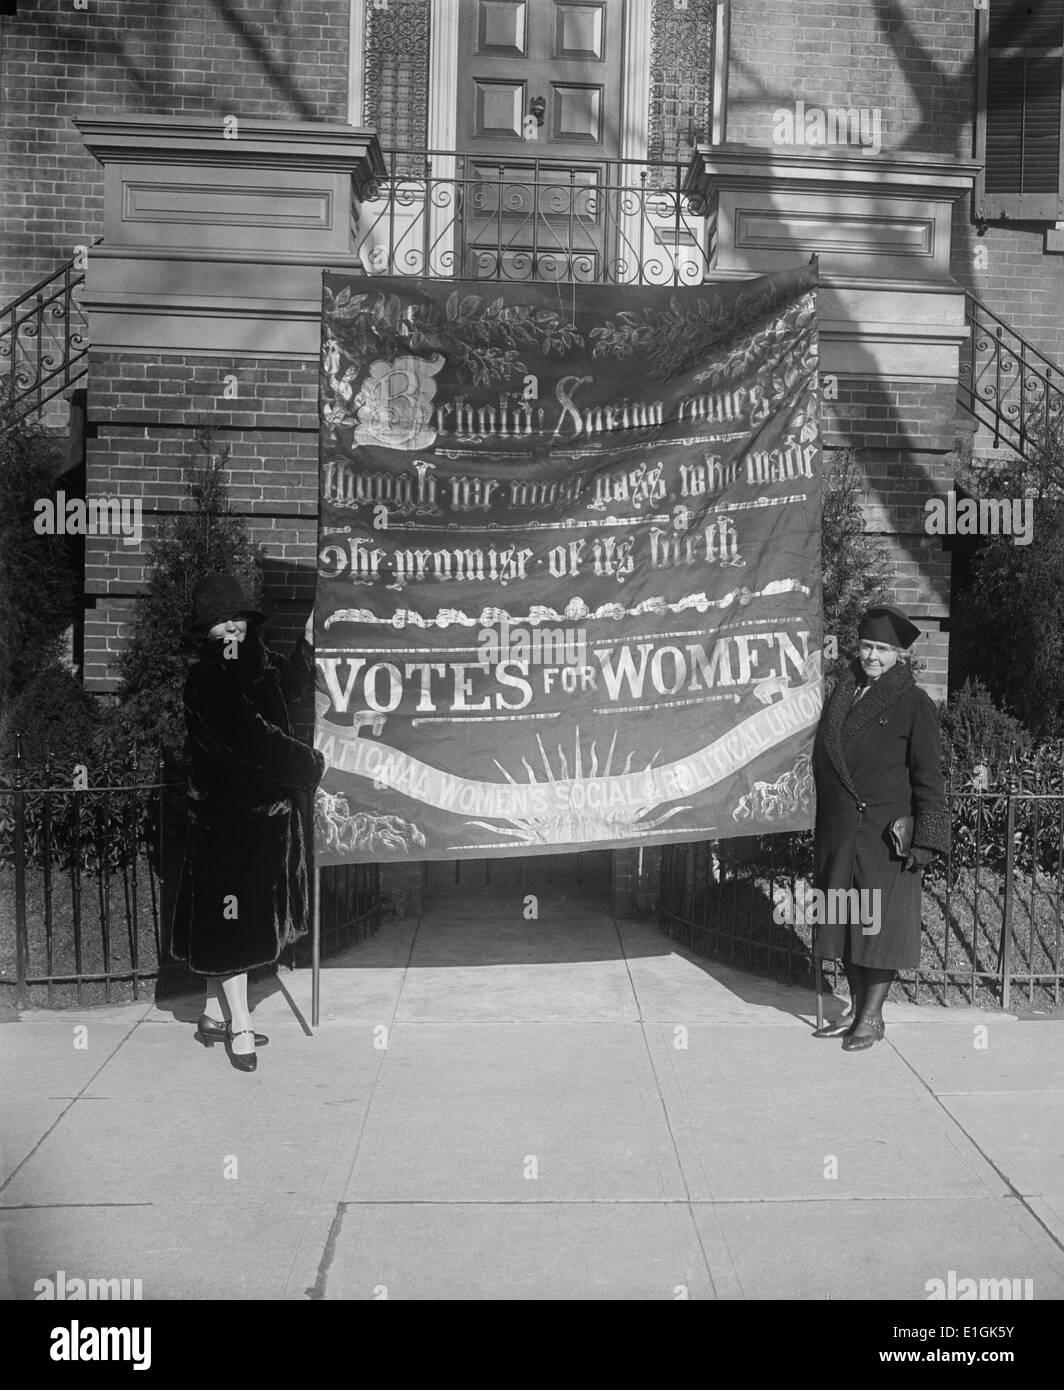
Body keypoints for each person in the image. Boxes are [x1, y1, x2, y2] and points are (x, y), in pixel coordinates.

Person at [171, 573, 325, 1072]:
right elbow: (254, 738)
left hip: (264, 821)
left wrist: (309, 641)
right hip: (228, 822)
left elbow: (293, 688)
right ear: (207, 634)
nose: (232, 629)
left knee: (230, 924)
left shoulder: (257, 665)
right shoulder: (207, 680)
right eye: (221, 623)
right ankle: (240, 1027)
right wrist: (308, 764)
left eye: (237, 618)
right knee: (233, 928)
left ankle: (215, 1016)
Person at [810, 603, 949, 1050]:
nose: (872, 656)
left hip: (885, 835)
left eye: (882, 650)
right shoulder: (842, 692)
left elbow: (928, 775)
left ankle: (871, 1018)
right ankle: (855, 1011)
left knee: (878, 929)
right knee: (846, 922)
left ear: (898, 656)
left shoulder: (914, 703)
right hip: (840, 833)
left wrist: (925, 837)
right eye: (867, 646)